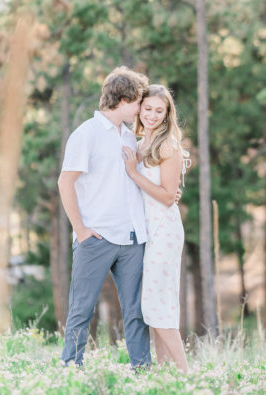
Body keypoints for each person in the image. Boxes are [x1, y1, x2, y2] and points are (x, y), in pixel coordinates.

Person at [58, 66, 151, 368]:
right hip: (96, 238)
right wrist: (81, 230)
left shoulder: (129, 137)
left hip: (133, 239)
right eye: (139, 101)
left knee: (137, 311)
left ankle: (143, 371)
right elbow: (65, 182)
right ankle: (71, 368)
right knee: (82, 309)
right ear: (124, 99)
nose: (141, 108)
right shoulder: (86, 134)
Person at [123, 84, 189, 373]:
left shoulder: (167, 146)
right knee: (154, 305)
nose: (152, 115)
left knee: (157, 304)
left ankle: (186, 372)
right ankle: (164, 374)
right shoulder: (140, 145)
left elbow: (165, 196)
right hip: (147, 231)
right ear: (140, 109)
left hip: (164, 230)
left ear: (167, 115)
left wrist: (134, 173)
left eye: (159, 111)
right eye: (147, 108)